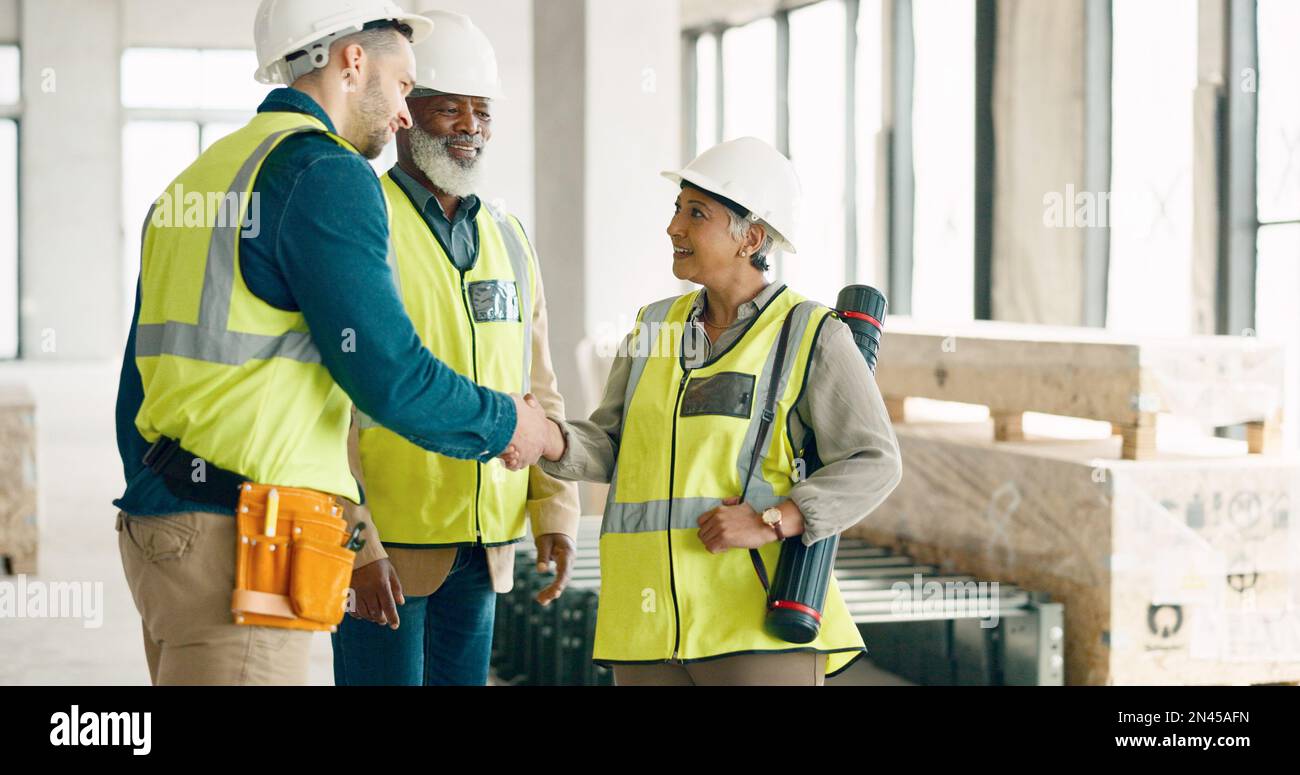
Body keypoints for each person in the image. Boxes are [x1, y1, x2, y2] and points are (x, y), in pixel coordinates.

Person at [114, 0, 551, 686]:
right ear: (353, 61)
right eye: (406, 86)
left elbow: (133, 384)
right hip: (245, 540)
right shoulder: (325, 172)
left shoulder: (199, 178)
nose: (404, 113)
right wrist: (509, 423)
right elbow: (390, 376)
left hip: (161, 531)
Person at [523, 137, 903, 686]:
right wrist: (550, 439)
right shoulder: (654, 325)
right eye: (677, 210)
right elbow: (614, 445)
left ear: (751, 236)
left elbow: (875, 460)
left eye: (695, 213)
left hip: (753, 623)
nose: (674, 227)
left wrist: (775, 520)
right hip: (645, 623)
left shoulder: (811, 333)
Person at [331, 9, 580, 686]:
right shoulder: (361, 220)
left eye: (483, 112)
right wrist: (354, 541)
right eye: (450, 109)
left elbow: (540, 384)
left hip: (484, 543)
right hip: (386, 545)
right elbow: (323, 406)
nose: (471, 127)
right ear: (406, 114)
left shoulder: (508, 234)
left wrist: (552, 507)